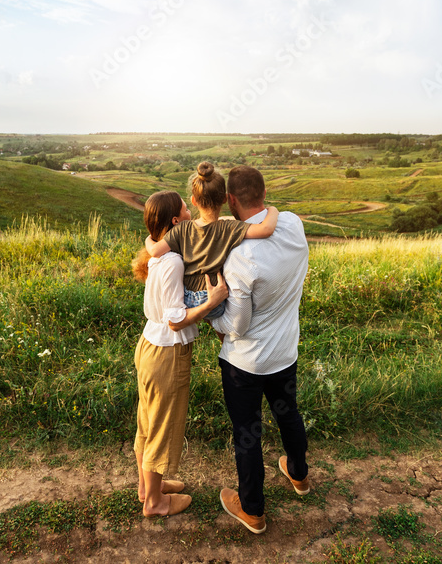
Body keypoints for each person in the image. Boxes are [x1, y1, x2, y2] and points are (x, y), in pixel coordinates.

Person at [209, 165, 311, 535]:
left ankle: (253, 509)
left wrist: (209, 316)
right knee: (289, 415)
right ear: (265, 194)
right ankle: (299, 475)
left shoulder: (240, 258)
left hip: (246, 362)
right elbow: (276, 214)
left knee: (247, 432)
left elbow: (236, 324)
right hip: (285, 353)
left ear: (231, 200)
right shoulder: (293, 225)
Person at [131, 190, 229, 517]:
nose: (192, 214)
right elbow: (175, 321)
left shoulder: (159, 251)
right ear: (176, 221)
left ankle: (149, 488)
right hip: (168, 352)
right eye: (188, 210)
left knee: (148, 420)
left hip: (148, 345)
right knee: (162, 426)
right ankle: (156, 504)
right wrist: (212, 302)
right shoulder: (173, 261)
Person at [145, 162, 279, 322]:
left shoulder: (183, 228)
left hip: (187, 299)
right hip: (214, 300)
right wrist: (273, 210)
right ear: (224, 199)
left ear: (194, 200)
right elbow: (266, 229)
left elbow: (154, 251)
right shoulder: (229, 228)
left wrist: (149, 238)